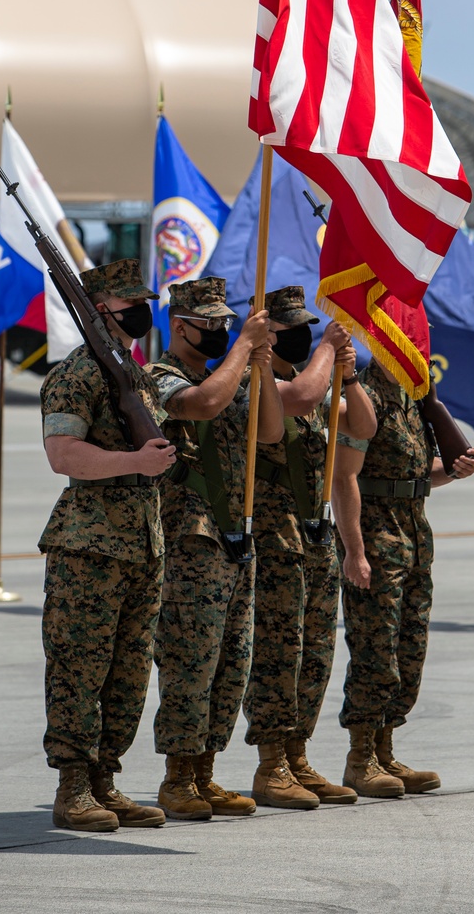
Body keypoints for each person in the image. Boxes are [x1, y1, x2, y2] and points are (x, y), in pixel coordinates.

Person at [39, 259, 176, 834]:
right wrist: (133, 462)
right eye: (130, 305)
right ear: (100, 312)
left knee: (128, 674)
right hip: (90, 547)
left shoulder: (136, 376)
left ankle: (104, 780)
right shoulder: (76, 375)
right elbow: (62, 455)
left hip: (143, 544)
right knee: (79, 669)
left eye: (144, 303)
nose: (142, 312)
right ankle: (72, 787)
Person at [146, 277, 282, 821]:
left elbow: (270, 431)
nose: (221, 331)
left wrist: (260, 367)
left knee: (230, 662)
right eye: (211, 323)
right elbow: (199, 407)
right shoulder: (158, 375)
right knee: (191, 660)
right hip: (189, 538)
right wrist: (243, 348)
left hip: (235, 538)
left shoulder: (226, 375)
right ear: (180, 327)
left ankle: (204, 771)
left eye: (226, 323)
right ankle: (177, 777)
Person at [243, 286, 377, 809]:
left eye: (307, 328)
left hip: (313, 537)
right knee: (278, 653)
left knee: (314, 653)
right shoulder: (259, 380)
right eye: (292, 330)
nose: (302, 336)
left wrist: (351, 373)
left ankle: (297, 756)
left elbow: (363, 426)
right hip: (274, 537)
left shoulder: (316, 380)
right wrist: (326, 349)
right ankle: (271, 764)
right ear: (268, 334)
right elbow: (297, 398)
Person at [332, 354, 474, 798]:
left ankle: (385, 751)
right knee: (375, 651)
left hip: (414, 540)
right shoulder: (365, 397)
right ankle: (360, 758)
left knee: (409, 653)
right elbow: (344, 478)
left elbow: (415, 475)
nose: (421, 348)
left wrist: (453, 469)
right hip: (377, 541)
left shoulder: (414, 399)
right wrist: (355, 551)